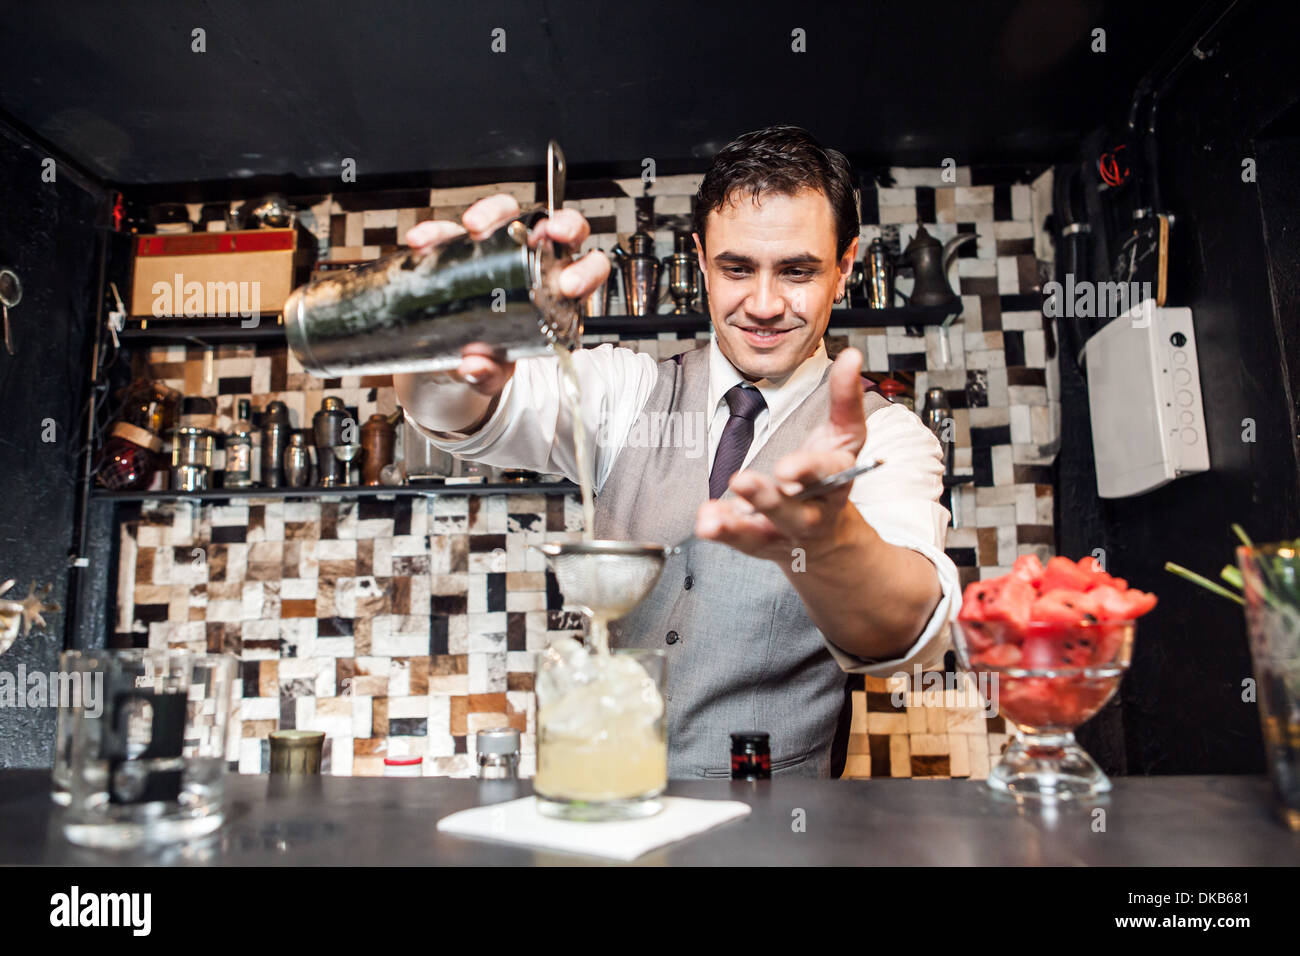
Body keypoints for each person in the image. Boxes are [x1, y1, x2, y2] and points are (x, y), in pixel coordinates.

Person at [396, 125, 959, 778]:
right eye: (737, 268)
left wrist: (832, 543)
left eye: (798, 271)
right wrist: (444, 349)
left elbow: (904, 637)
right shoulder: (626, 389)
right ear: (700, 258)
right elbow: (461, 416)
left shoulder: (887, 438)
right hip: (602, 807)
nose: (766, 304)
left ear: (846, 265)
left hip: (777, 833)